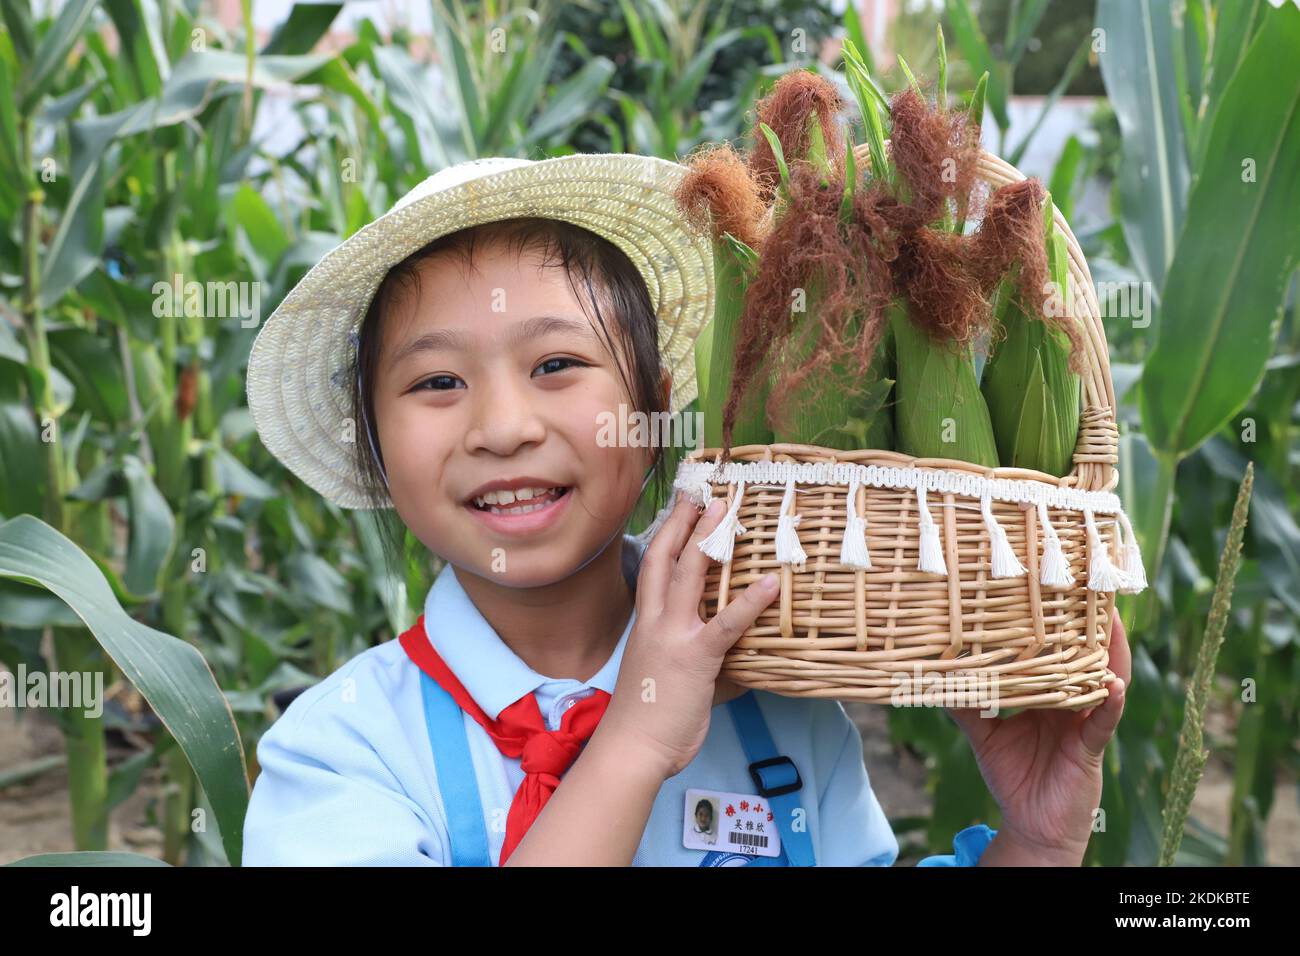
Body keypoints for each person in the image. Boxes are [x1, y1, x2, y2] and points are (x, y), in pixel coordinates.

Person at [241, 153, 1130, 867]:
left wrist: (1040, 840)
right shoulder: (343, 753)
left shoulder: (784, 715)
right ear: (375, 442)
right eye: (438, 382)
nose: (504, 429)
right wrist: (634, 742)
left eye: (557, 365)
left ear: (658, 405)